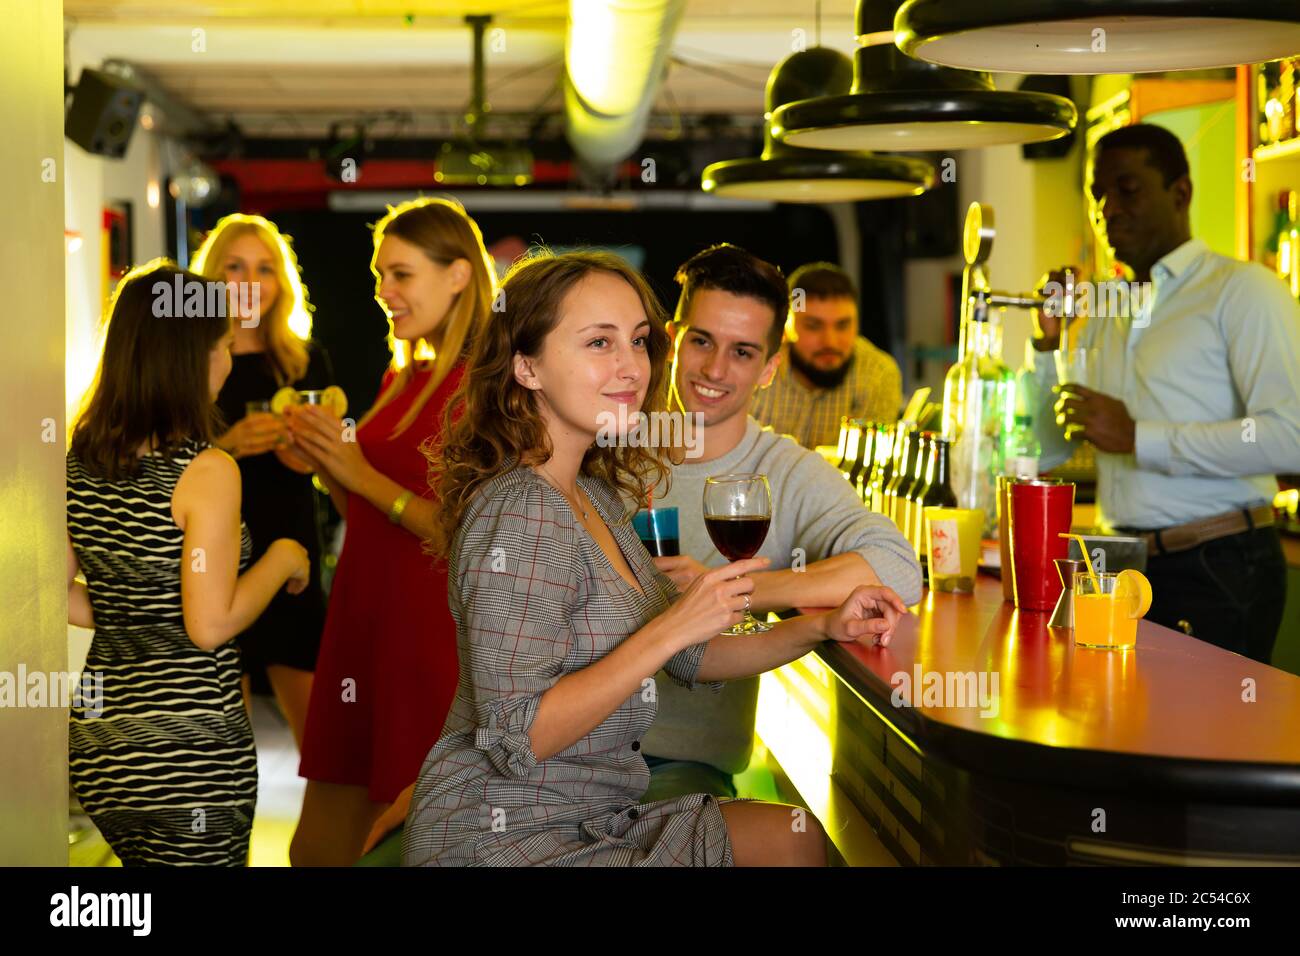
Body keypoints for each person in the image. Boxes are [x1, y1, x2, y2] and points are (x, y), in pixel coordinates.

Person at [402, 249, 909, 866]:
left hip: (597, 813)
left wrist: (823, 625)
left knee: (798, 837)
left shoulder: (588, 491)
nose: (630, 368)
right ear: (527, 367)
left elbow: (692, 654)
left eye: (638, 342)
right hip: (511, 835)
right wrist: (673, 625)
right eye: (598, 343)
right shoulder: (522, 510)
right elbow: (517, 735)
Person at [636, 244, 922, 800]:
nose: (716, 370)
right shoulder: (612, 448)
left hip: (680, 769)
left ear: (769, 368)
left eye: (742, 352)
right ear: (673, 339)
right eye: (702, 341)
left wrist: (735, 591)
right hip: (566, 756)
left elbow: (898, 566)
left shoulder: (784, 470)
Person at [66, 261, 310, 866]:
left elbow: (49, 595)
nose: (228, 361)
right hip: (188, 750)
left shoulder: (81, 456)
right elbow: (208, 625)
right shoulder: (206, 471)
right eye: (223, 345)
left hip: (102, 745)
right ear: (190, 355)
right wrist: (282, 557)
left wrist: (141, 612)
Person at [1030, 123, 1300, 664]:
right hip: (1117, 565)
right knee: (1120, 737)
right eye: (1097, 194)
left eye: (1126, 189)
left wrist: (1138, 437)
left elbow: (1291, 439)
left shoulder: (1242, 290)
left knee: (1204, 743)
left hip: (1217, 562)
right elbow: (1053, 449)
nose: (1108, 208)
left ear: (1181, 192)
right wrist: (1046, 341)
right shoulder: (1112, 308)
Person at [286, 197, 495, 866]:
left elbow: (470, 535)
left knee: (396, 840)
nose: (384, 293)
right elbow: (367, 517)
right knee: (319, 846)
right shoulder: (404, 372)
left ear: (459, 275)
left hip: (425, 633)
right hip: (364, 618)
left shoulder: (486, 388)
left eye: (401, 274)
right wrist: (326, 468)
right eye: (381, 276)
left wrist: (356, 471)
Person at [192, 213, 334, 750]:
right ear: (211, 277)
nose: (250, 281)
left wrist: (310, 455)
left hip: (291, 551)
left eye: (264, 268)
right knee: (224, 751)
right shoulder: (190, 364)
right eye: (235, 267)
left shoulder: (305, 362)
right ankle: (230, 836)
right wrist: (227, 447)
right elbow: (163, 466)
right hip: (213, 560)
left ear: (281, 282)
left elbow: (332, 468)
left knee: (321, 747)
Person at [751, 259, 903, 448]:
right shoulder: (755, 360)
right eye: (813, 326)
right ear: (786, 325)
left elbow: (866, 465)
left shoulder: (879, 373)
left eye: (843, 325)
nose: (830, 341)